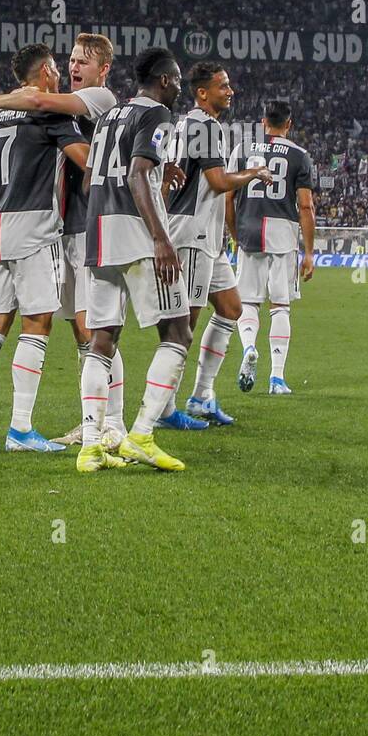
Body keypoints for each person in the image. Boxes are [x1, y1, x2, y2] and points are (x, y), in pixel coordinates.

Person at [0, 42, 115, 453]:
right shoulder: (49, 112)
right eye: (58, 68)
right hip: (35, 226)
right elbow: (87, 161)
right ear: (43, 73)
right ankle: (20, 429)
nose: (62, 74)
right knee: (37, 324)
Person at [78, 47, 192, 473]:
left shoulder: (110, 115)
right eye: (177, 79)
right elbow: (138, 173)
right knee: (178, 333)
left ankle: (91, 446)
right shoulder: (158, 115)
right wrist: (161, 239)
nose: (179, 86)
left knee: (101, 341)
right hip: (138, 237)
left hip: (100, 231)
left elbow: (91, 178)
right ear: (163, 80)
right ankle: (141, 434)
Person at [160, 62, 272, 428]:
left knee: (231, 307)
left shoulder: (187, 123)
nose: (231, 91)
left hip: (207, 236)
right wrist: (254, 173)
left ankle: (202, 396)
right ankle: (165, 409)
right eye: (223, 86)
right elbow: (219, 181)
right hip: (191, 235)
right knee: (184, 325)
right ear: (203, 93)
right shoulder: (204, 125)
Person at [226, 101, 316, 395]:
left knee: (248, 302)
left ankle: (250, 346)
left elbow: (227, 197)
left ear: (263, 121)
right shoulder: (300, 156)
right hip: (282, 233)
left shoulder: (242, 150)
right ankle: (277, 378)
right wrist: (310, 253)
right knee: (280, 306)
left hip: (249, 228)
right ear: (289, 124)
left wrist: (234, 233)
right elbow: (305, 205)